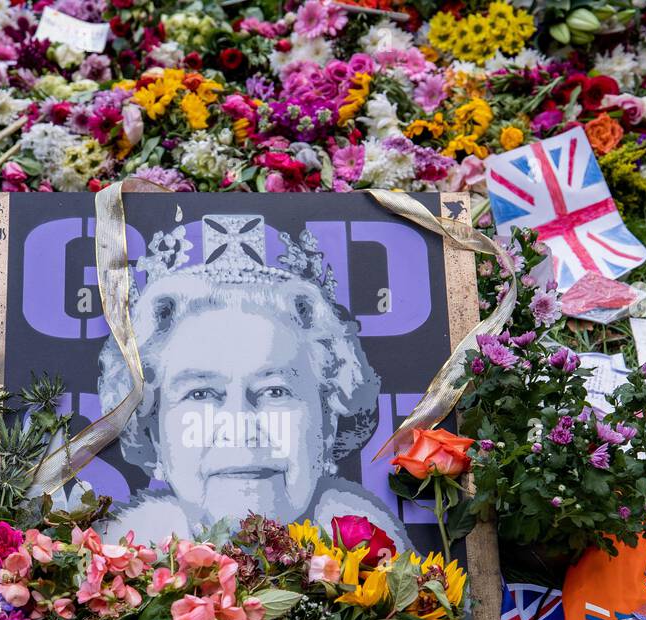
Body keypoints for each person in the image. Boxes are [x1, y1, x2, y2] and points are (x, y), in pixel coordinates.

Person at [98, 213, 411, 551]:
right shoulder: (97, 592)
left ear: (328, 424)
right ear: (152, 434)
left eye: (275, 391)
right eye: (200, 393)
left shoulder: (402, 591)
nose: (241, 425)